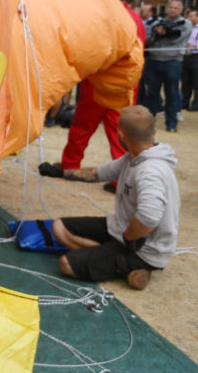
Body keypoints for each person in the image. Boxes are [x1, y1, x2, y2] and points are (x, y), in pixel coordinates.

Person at [44, 105, 180, 291]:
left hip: (144, 248)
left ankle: (136, 265)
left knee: (66, 264)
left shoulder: (149, 171)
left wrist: (128, 237)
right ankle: (120, 263)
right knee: (59, 227)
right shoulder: (133, 157)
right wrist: (61, 172)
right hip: (123, 230)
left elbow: (149, 217)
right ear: (154, 131)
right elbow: (97, 173)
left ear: (121, 135)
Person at [40, 0, 146, 175]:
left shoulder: (102, 16)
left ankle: (70, 165)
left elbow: (90, 48)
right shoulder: (135, 17)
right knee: (120, 132)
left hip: (98, 83)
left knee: (81, 127)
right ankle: (121, 178)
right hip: (124, 86)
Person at [140, 0, 191, 132]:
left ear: (181, 10)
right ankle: (149, 123)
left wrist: (162, 33)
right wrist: (159, 33)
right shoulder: (157, 21)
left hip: (172, 62)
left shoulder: (186, 23)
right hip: (154, 61)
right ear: (167, 8)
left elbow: (175, 37)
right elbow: (149, 37)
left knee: (172, 93)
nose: (172, 10)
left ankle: (171, 123)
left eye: (176, 8)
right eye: (170, 7)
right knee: (151, 94)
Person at [181, 8, 198, 111]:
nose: (189, 18)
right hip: (186, 56)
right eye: (189, 16)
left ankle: (196, 104)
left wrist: (194, 45)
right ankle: (184, 102)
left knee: (196, 82)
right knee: (185, 81)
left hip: (196, 56)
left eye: (192, 16)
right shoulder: (187, 28)